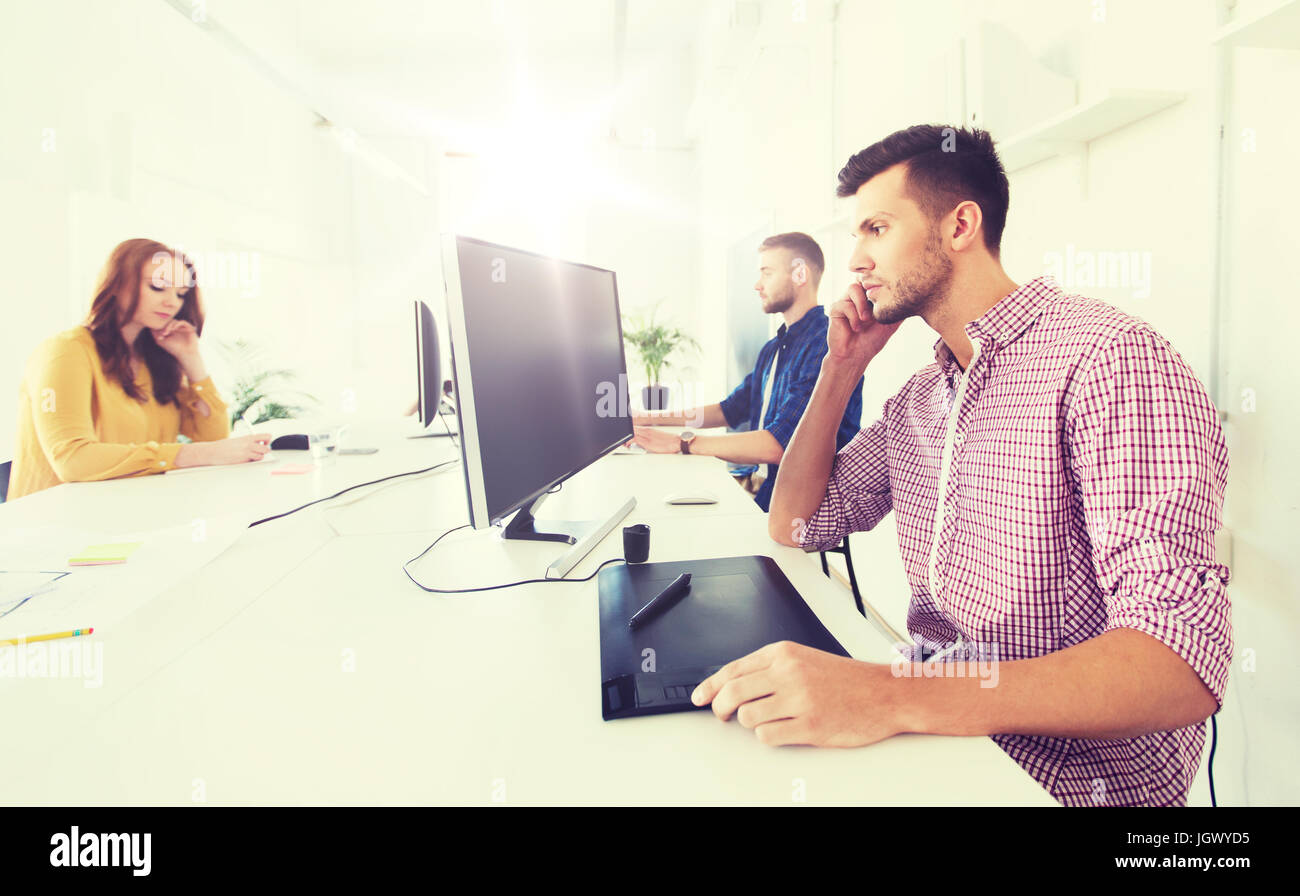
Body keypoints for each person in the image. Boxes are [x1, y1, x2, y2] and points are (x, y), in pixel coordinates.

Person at [691, 125, 1232, 807]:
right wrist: (841, 370)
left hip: (1060, 783)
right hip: (939, 737)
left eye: (876, 229)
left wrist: (888, 695)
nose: (854, 259)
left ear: (960, 226)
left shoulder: (1109, 360)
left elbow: (1177, 666)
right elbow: (797, 524)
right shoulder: (922, 396)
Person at [6, 238, 271, 500]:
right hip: (51, 524)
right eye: (158, 287)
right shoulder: (66, 350)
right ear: (117, 284)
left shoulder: (153, 361)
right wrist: (192, 455)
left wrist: (192, 360)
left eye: (180, 294)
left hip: (126, 513)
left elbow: (213, 437)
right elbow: (72, 460)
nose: (172, 302)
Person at [627, 233, 863, 512]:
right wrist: (650, 418)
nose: (757, 285)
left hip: (801, 499)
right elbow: (729, 410)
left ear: (800, 274)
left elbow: (780, 444)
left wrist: (683, 442)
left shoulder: (826, 343)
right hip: (761, 485)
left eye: (767, 272)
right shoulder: (774, 348)